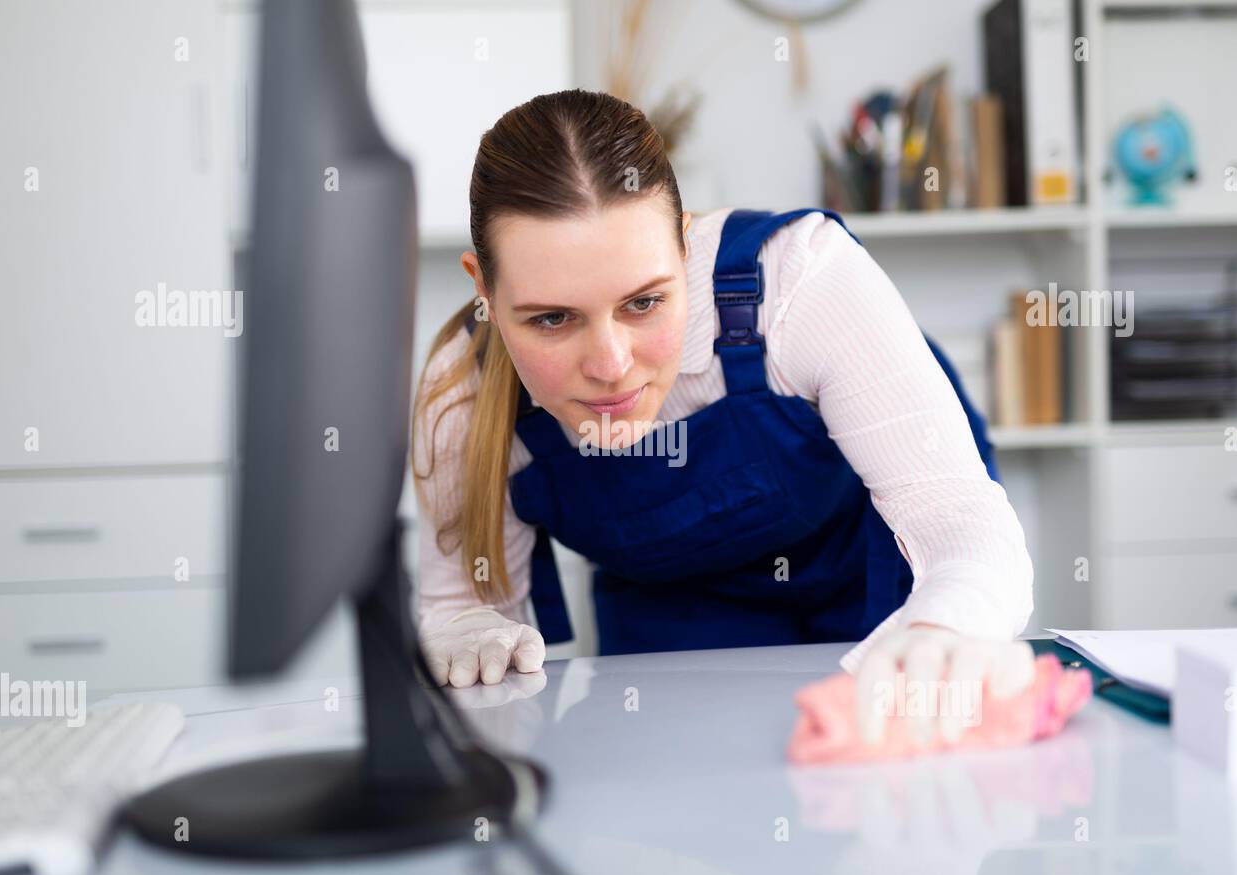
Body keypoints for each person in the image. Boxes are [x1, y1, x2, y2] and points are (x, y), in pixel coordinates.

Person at [412, 89, 1035, 747]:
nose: (611, 364)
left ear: (685, 247)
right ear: (482, 287)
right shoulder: (463, 397)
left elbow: (965, 527)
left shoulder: (800, 279)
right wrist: (466, 633)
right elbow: (462, 610)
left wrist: (942, 633)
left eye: (644, 303)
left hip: (872, 583)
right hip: (671, 612)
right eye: (552, 318)